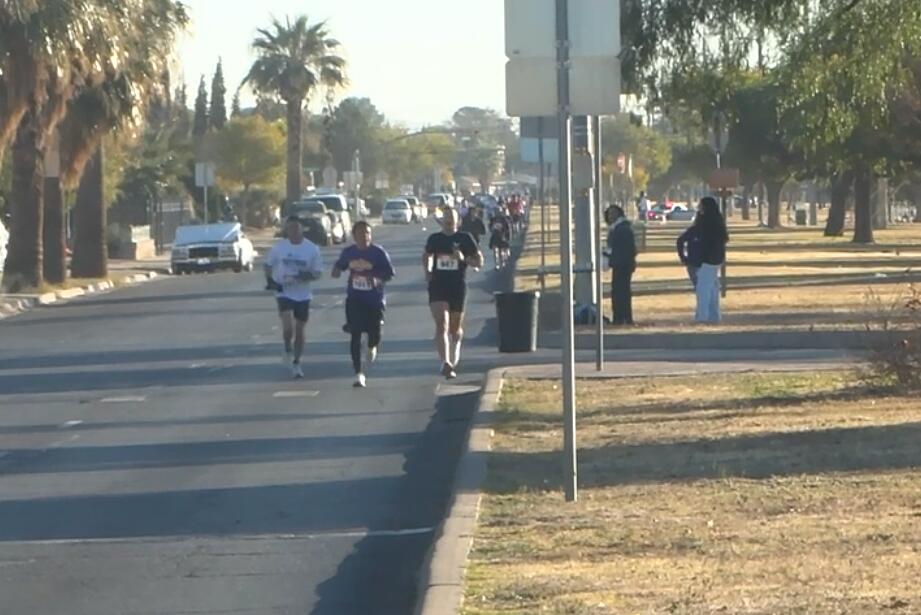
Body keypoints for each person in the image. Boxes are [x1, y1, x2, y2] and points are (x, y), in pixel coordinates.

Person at [332, 221, 395, 388]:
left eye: (367, 233)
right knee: (355, 334)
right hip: (355, 298)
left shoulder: (378, 253)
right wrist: (336, 270)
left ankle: (372, 345)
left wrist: (377, 279)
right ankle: (358, 373)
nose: (364, 236)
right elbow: (339, 266)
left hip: (374, 299)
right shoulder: (349, 252)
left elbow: (390, 273)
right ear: (354, 236)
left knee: (375, 334)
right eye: (361, 233)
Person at [423, 207, 483, 379]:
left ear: (458, 222)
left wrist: (463, 259)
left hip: (457, 285)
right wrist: (427, 271)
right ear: (442, 221)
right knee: (442, 323)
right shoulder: (435, 239)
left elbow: (478, 261)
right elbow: (426, 255)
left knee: (454, 329)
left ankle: (455, 346)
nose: (449, 221)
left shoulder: (465, 238)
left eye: (452, 218)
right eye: (446, 218)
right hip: (438, 285)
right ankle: (445, 363)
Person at [265, 216, 324, 378]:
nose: (293, 231)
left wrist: (305, 276)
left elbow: (317, 273)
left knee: (300, 329)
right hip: (283, 291)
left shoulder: (311, 249)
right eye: (290, 228)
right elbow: (268, 265)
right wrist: (270, 281)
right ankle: (286, 347)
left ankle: (297, 362)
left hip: (303, 294)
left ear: (302, 229)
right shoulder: (279, 247)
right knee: (288, 325)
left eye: (296, 228)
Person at [694, 196, 729, 323]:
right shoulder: (718, 220)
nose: (699, 208)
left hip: (707, 259)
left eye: (701, 206)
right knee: (713, 288)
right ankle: (714, 315)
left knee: (703, 288)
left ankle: (702, 316)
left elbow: (698, 235)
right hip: (717, 258)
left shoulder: (706, 221)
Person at [606, 205, 637, 326]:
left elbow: (629, 249)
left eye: (612, 213)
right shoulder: (619, 228)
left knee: (620, 292)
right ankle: (622, 317)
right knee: (621, 292)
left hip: (622, 265)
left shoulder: (622, 229)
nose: (610, 216)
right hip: (621, 264)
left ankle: (621, 317)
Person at [676, 223, 702, 288]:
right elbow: (680, 241)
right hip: (695, 263)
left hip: (703, 264)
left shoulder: (711, 230)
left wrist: (682, 257)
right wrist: (682, 257)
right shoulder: (694, 230)